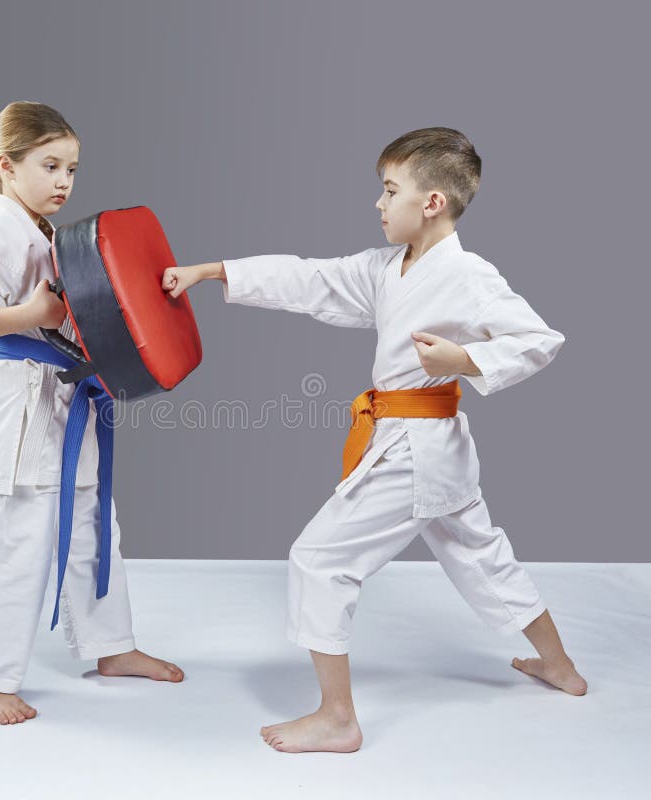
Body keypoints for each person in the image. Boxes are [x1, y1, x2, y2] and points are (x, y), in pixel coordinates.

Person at [161, 127, 586, 753]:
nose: (379, 204)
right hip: (432, 448)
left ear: (432, 202)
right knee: (481, 553)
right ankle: (560, 667)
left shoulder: (467, 275)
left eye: (390, 191)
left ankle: (338, 718)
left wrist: (465, 358)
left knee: (319, 560)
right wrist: (211, 271)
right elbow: (309, 279)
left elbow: (539, 340)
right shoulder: (389, 267)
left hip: (417, 448)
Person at [0, 101, 183, 726]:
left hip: (73, 395)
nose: (63, 182)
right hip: (23, 400)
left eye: (72, 169)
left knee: (94, 523)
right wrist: (31, 314)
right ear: (6, 164)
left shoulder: (55, 236)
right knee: (17, 537)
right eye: (49, 166)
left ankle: (112, 645)